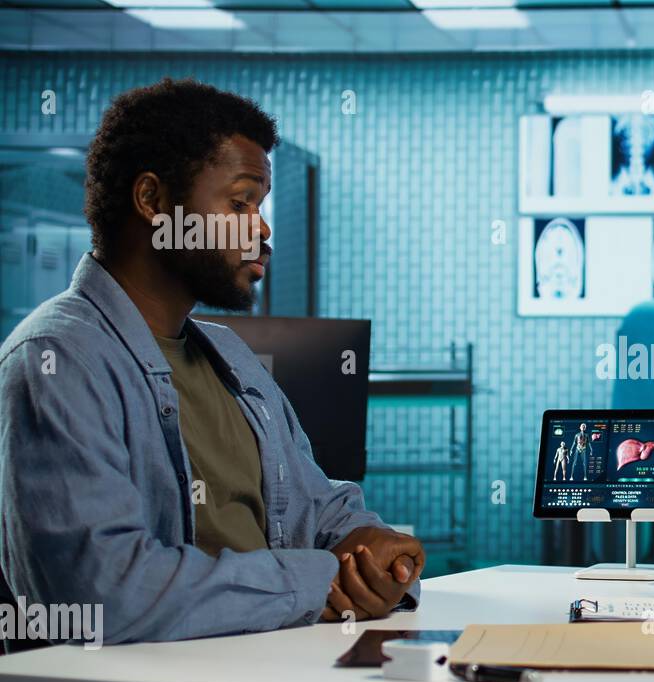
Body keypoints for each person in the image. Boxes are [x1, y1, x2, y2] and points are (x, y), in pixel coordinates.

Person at [0, 79, 424, 651]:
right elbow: (102, 594)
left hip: (264, 672)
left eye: (260, 206)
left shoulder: (230, 357)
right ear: (153, 201)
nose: (261, 228)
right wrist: (318, 580)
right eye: (240, 203)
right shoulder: (57, 361)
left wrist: (373, 553)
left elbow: (318, 509)